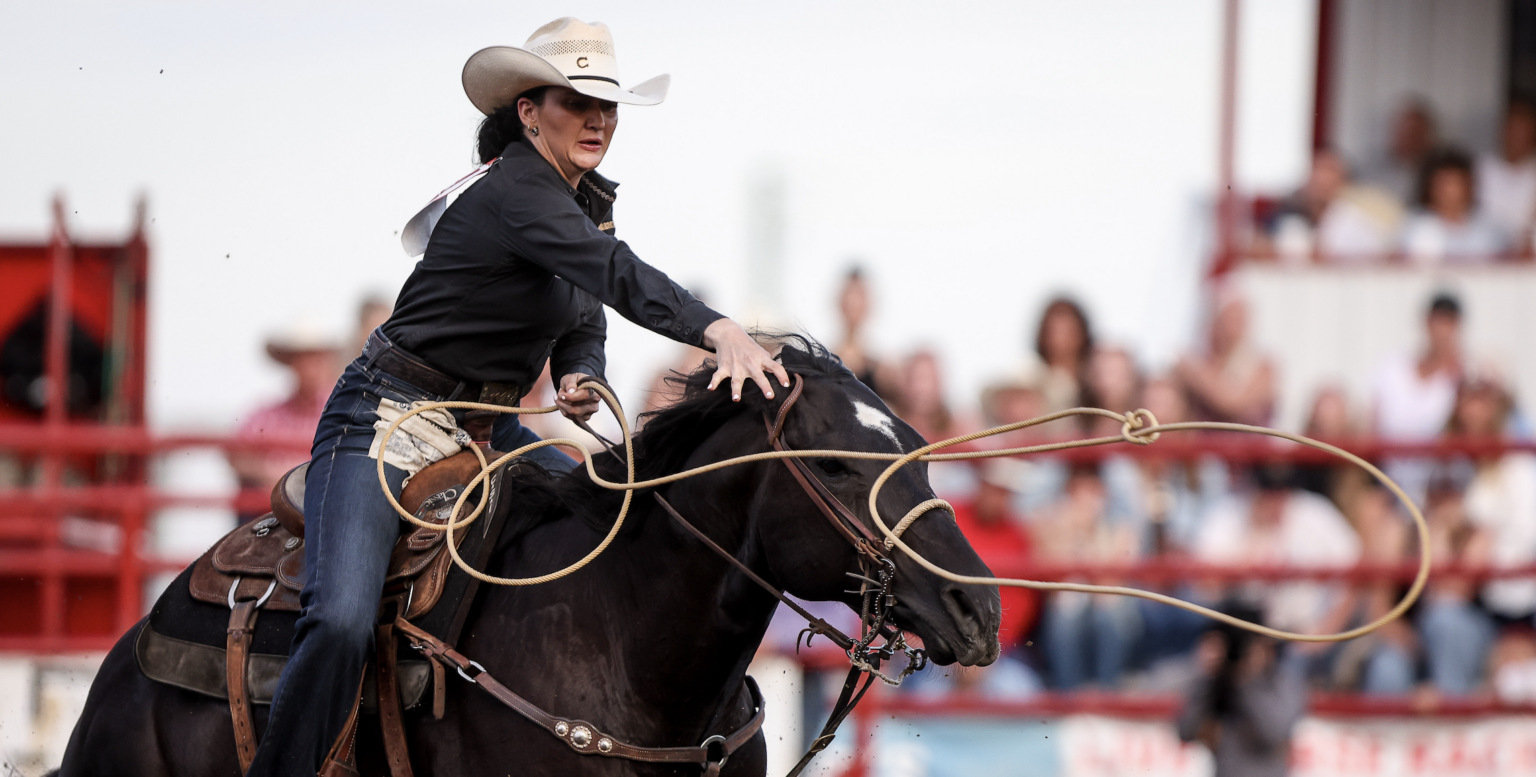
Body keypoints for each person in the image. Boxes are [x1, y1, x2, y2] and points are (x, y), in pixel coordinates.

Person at [246, 19, 789, 776]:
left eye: (609, 104)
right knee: (338, 619)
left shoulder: (578, 198)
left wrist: (578, 368)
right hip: (388, 420)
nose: (599, 117)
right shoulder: (516, 191)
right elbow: (613, 271)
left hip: (487, 431)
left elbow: (585, 308)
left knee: (613, 527)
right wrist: (717, 328)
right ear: (529, 111)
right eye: (578, 100)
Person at [1177, 604, 1307, 777]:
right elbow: (1185, 731)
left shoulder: (1283, 683)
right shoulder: (1218, 681)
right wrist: (1208, 678)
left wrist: (1246, 681)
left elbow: (1274, 732)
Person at [228, 325, 341, 523]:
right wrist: (266, 474)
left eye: (316, 359)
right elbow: (235, 455)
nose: (311, 367)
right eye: (304, 359)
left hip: (323, 510)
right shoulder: (265, 413)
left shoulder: (342, 410)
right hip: (272, 513)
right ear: (291, 364)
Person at [1370, 293, 1464, 509]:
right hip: (1388, 482)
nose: (1442, 332)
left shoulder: (1464, 378)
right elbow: (1372, 424)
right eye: (1437, 322)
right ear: (1426, 323)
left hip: (1440, 489)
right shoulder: (1391, 368)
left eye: (1448, 323)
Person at [1269, 148, 1402, 262]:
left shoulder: (1354, 224)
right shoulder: (1290, 215)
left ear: (1343, 182)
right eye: (1316, 170)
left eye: (1329, 172)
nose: (1320, 178)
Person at [1175, 294, 1276, 426]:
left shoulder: (1263, 367)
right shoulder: (1201, 361)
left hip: (1248, 444)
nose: (1232, 326)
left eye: (1238, 319)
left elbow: (1231, 404)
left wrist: (1196, 372)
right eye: (1228, 318)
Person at [1400, 147, 1510, 263]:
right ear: (1430, 188)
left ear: (1470, 186)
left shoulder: (1490, 231)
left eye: (1456, 184)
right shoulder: (1413, 228)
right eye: (1443, 184)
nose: (1450, 192)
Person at [1476, 96, 1536, 249]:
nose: (1516, 137)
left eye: (1522, 131)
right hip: (1484, 249)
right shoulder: (1482, 168)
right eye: (1512, 129)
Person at [1363, 98, 1439, 204]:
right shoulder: (1371, 170)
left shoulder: (1439, 171)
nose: (1409, 139)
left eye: (1416, 133)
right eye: (1404, 132)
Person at [1032, 297, 1094, 413]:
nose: (1060, 339)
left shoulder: (1096, 380)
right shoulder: (1029, 378)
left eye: (1068, 331)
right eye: (1055, 331)